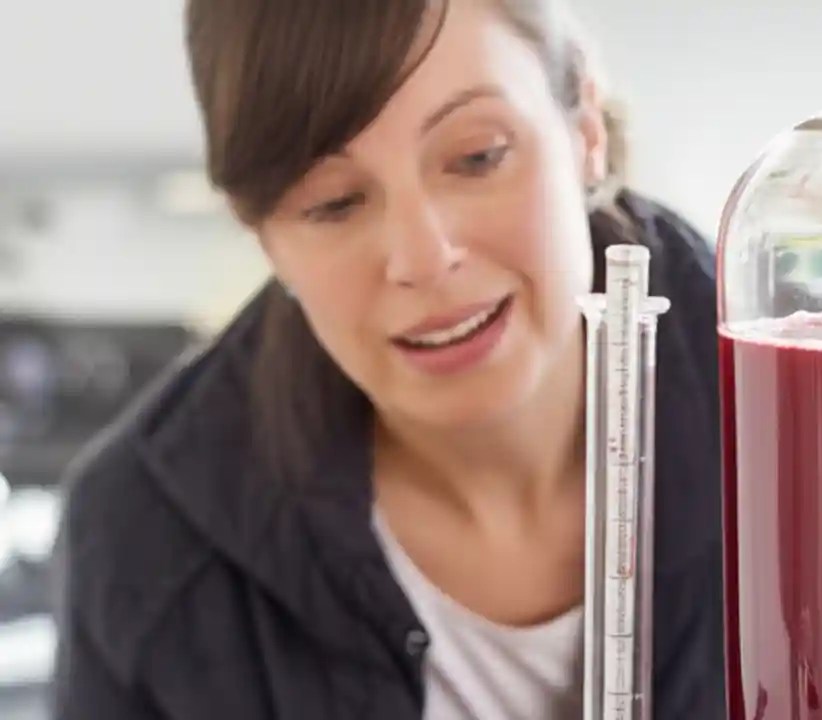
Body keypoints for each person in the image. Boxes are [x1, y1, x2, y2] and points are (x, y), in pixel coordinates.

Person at [49, 0, 725, 718]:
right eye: (334, 203)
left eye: (477, 157)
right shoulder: (144, 538)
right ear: (263, 236)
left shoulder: (817, 421)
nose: (423, 258)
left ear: (584, 126)